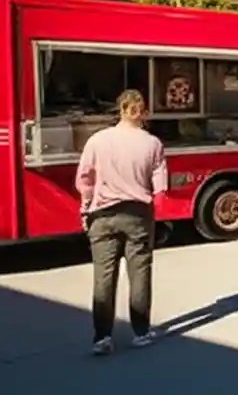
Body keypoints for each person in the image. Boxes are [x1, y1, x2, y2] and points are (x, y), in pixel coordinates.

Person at [76, 89, 167, 356]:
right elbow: (160, 188)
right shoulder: (153, 144)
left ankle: (102, 336)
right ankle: (141, 331)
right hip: (138, 213)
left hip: (102, 214)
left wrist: (85, 208)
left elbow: (84, 179)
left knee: (103, 277)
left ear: (120, 110)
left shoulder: (97, 140)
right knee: (139, 273)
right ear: (143, 112)